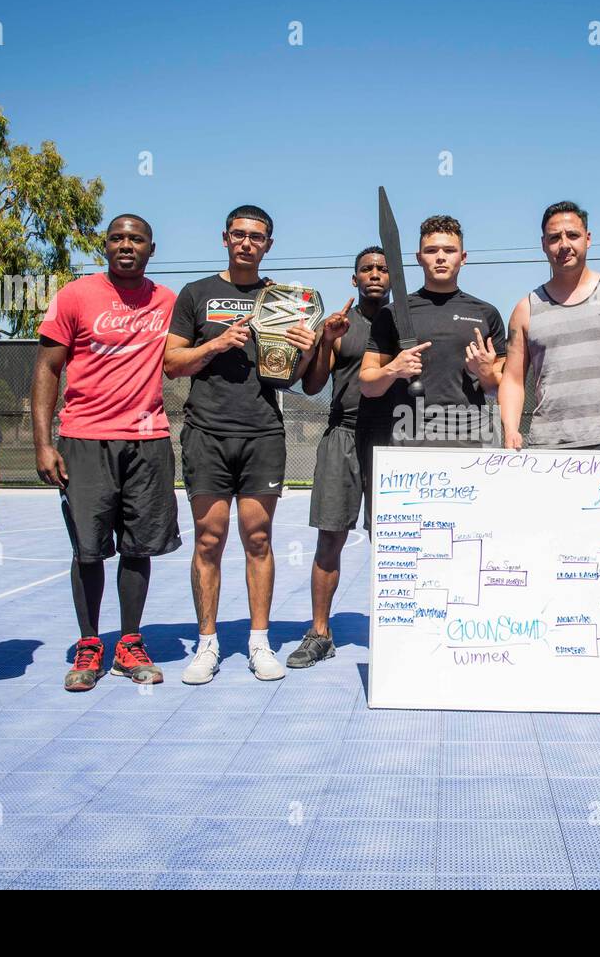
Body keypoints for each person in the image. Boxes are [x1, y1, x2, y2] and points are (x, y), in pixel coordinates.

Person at [165, 205, 318, 683]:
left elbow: (294, 379)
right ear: (225, 238)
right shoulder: (197, 294)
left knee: (258, 539)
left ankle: (259, 641)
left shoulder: (285, 299)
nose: (247, 243)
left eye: (256, 237)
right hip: (206, 432)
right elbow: (172, 363)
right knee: (209, 540)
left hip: (262, 432)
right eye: (238, 234)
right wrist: (215, 344)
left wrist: (306, 347)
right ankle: (207, 644)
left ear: (269, 244)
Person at [32, 214, 180, 692]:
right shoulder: (75, 296)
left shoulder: (169, 302)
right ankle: (90, 643)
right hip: (84, 439)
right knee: (89, 549)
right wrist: (43, 442)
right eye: (117, 238)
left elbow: (186, 358)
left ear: (151, 249)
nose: (126, 245)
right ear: (105, 246)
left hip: (148, 438)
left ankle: (130, 643)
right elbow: (47, 369)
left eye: (136, 238)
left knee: (139, 547)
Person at [288, 247, 394, 667]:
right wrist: (323, 343)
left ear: (393, 277)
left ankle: (401, 630)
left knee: (392, 539)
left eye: (383, 269)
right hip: (343, 435)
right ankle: (319, 633)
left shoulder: (405, 319)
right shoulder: (338, 324)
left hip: (393, 440)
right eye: (366, 269)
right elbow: (313, 387)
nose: (374, 275)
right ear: (354, 279)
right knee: (330, 536)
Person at [499, 200, 600, 451]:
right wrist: (510, 430)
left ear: (587, 239)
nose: (564, 244)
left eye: (573, 235)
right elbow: (512, 379)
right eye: (554, 238)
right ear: (543, 244)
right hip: (550, 446)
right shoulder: (526, 308)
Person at [360, 214, 506, 447]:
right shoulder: (393, 313)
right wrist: (393, 370)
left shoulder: (486, 313)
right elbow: (368, 387)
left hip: (472, 441)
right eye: (431, 251)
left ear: (463, 257)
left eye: (449, 250)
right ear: (419, 258)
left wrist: (486, 372)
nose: (440, 257)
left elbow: (501, 390)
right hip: (409, 438)